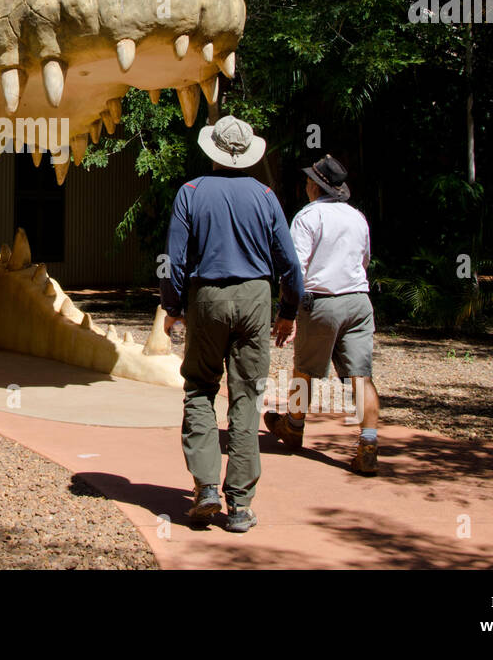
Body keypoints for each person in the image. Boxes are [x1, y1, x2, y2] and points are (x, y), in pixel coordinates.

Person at [160, 115, 304, 531]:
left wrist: (174, 306)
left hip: (206, 297)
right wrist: (288, 312)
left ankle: (205, 486)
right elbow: (289, 263)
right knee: (246, 397)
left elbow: (174, 261)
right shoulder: (265, 195)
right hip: (257, 298)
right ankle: (239, 505)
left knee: (200, 389)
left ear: (213, 151)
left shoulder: (190, 192)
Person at [264, 155, 380, 475]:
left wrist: (287, 312)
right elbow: (364, 260)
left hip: (322, 302)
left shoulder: (308, 216)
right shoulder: (357, 217)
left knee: (304, 369)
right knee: (361, 376)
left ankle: (294, 426)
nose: (305, 185)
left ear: (315, 187)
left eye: (307, 181)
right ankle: (368, 444)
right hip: (359, 301)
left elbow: (295, 269)